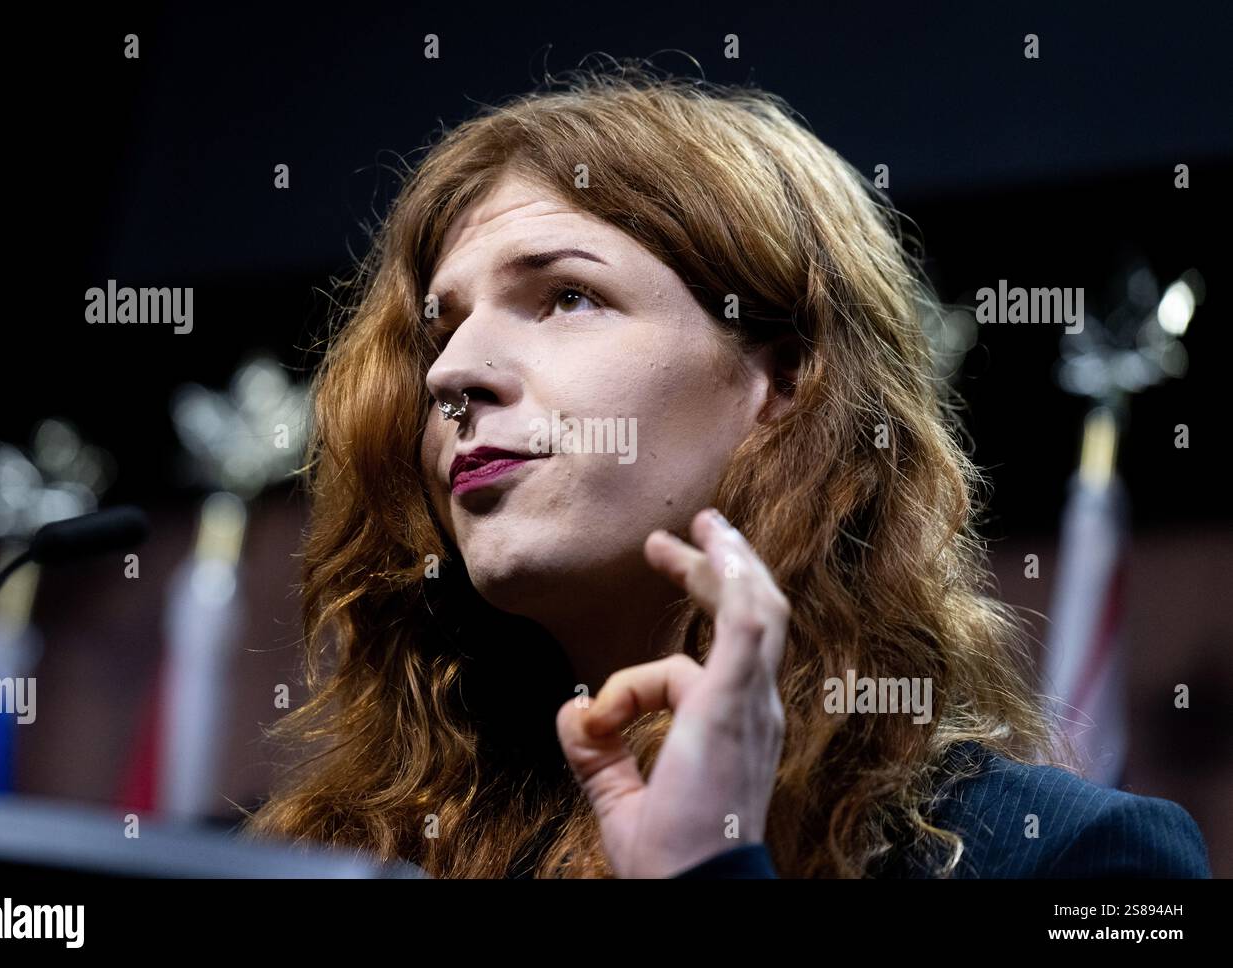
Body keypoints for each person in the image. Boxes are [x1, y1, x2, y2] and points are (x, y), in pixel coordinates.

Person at [243, 62, 1210, 879]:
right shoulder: (336, 852)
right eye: (440, 329)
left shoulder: (1081, 861)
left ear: (783, 378)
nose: (452, 374)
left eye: (567, 296)